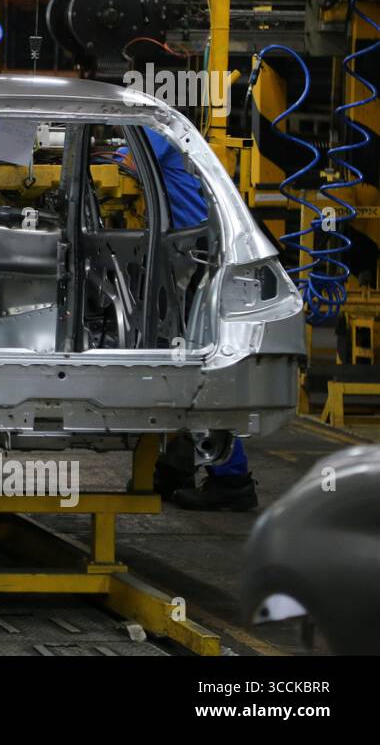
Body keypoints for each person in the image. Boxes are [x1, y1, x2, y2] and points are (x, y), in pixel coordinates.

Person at [120, 130, 256, 511]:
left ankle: (232, 478)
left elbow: (130, 165)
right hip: (185, 250)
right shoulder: (153, 129)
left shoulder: (151, 131)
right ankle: (177, 466)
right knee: (174, 362)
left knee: (197, 364)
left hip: (195, 253)